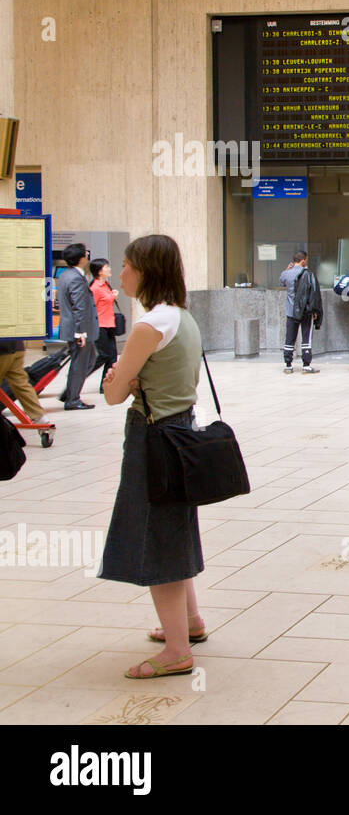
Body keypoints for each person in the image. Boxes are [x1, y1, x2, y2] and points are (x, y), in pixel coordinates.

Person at [99, 234, 207, 679]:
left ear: (146, 270)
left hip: (153, 438)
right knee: (174, 527)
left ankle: (177, 651)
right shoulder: (182, 318)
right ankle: (191, 624)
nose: (120, 273)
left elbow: (111, 394)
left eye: (127, 265)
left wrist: (119, 380)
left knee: (156, 537)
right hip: (181, 431)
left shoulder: (147, 327)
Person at [55, 242, 99, 410]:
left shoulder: (66, 275)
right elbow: (79, 306)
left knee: (89, 360)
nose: (87, 256)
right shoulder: (75, 278)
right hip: (79, 330)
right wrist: (80, 332)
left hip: (74, 327)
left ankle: (71, 392)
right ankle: (72, 399)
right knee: (80, 365)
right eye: (85, 254)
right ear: (81, 259)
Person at [280, 251, 322, 373]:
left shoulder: (286, 274)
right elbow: (313, 293)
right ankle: (306, 365)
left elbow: (281, 282)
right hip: (305, 311)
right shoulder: (308, 274)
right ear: (303, 261)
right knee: (306, 337)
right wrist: (315, 310)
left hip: (291, 311)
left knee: (290, 337)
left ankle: (288, 365)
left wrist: (287, 270)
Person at [87, 258, 120, 394]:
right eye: (107, 267)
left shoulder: (105, 285)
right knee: (104, 355)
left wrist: (112, 295)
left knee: (112, 356)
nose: (109, 269)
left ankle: (105, 385)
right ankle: (81, 374)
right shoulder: (95, 288)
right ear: (99, 271)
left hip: (109, 325)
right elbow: (90, 308)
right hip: (100, 325)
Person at [0, 339, 44, 424]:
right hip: (17, 347)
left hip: (2, 350)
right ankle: (39, 417)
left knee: (20, 383)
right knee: (21, 384)